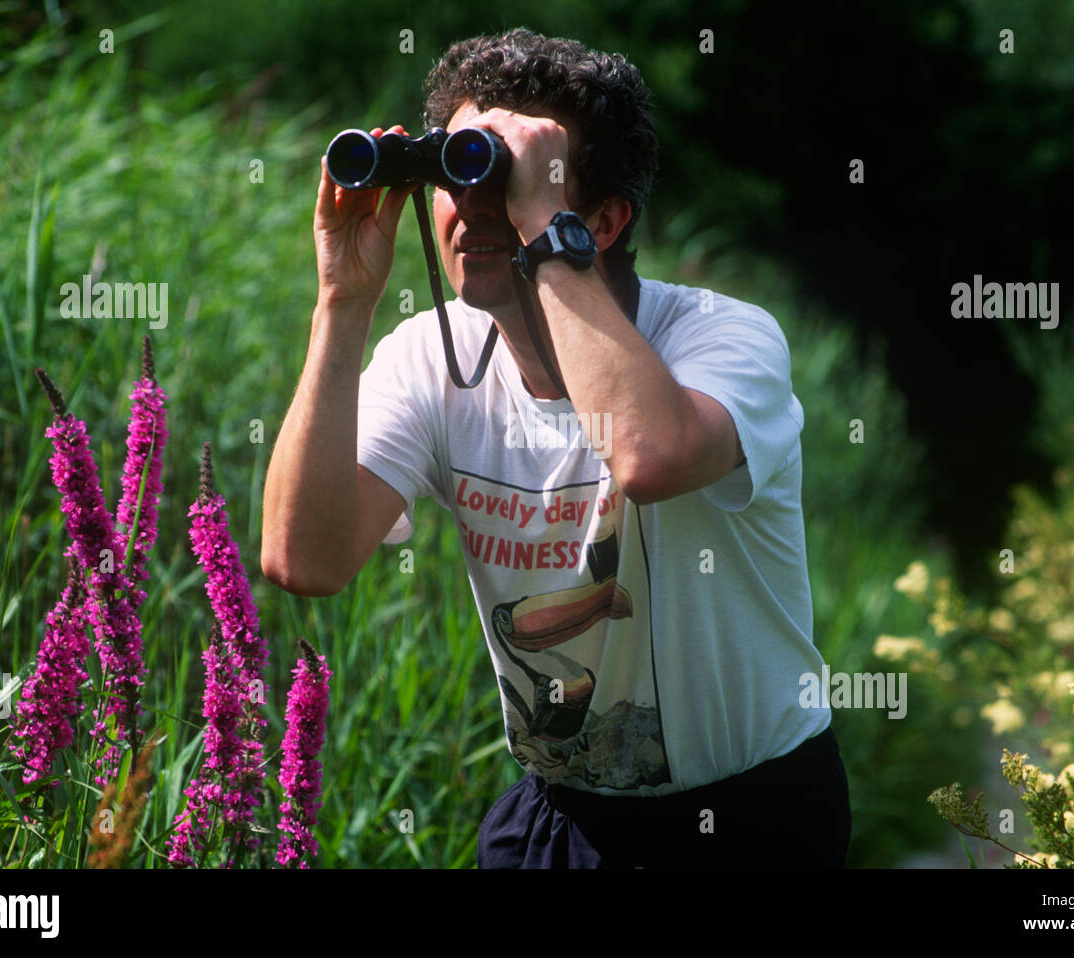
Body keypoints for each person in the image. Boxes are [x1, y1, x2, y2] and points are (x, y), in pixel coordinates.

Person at [261, 27, 851, 868]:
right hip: (560, 820)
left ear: (603, 221)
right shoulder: (430, 357)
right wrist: (342, 301)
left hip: (752, 818)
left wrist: (541, 222)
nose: (473, 204)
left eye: (508, 177)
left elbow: (647, 457)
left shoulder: (725, 339)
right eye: (459, 168)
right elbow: (304, 557)